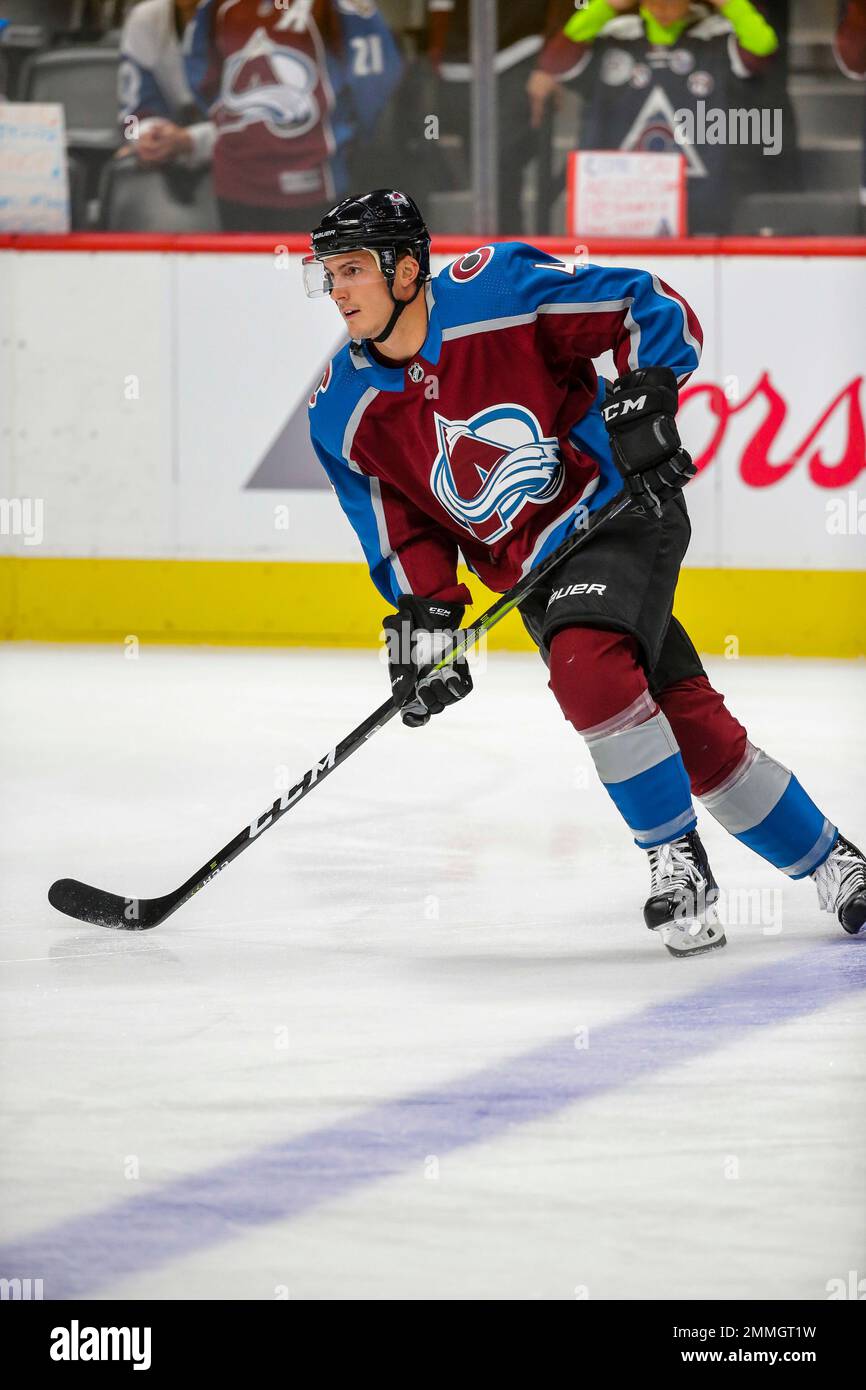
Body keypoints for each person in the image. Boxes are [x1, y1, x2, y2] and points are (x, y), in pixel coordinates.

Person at [303, 189, 866, 957]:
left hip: (619, 506)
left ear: (406, 270)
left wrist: (649, 387)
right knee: (686, 725)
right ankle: (835, 864)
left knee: (586, 668)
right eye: (326, 275)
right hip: (533, 574)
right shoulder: (341, 412)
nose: (337, 292)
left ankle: (677, 865)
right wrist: (425, 618)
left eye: (353, 270)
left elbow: (644, 303)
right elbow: (398, 531)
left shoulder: (495, 291)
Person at [527, 0, 780, 234]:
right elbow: (555, 62)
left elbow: (762, 47)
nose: (664, 5)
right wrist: (604, 6)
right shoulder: (613, 34)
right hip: (617, 206)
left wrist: (729, 3)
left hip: (700, 204)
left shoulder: (717, 35)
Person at [185, 0, 403, 232]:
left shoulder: (340, 6)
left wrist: (349, 140)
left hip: (314, 181)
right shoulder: (214, 7)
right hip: (239, 182)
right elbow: (201, 79)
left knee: (314, 263)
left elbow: (375, 82)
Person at [118, 0, 215, 171]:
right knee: (124, 166)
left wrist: (190, 140)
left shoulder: (254, 17)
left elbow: (259, 128)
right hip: (172, 154)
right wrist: (145, 136)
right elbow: (130, 119)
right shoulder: (144, 18)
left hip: (244, 161)